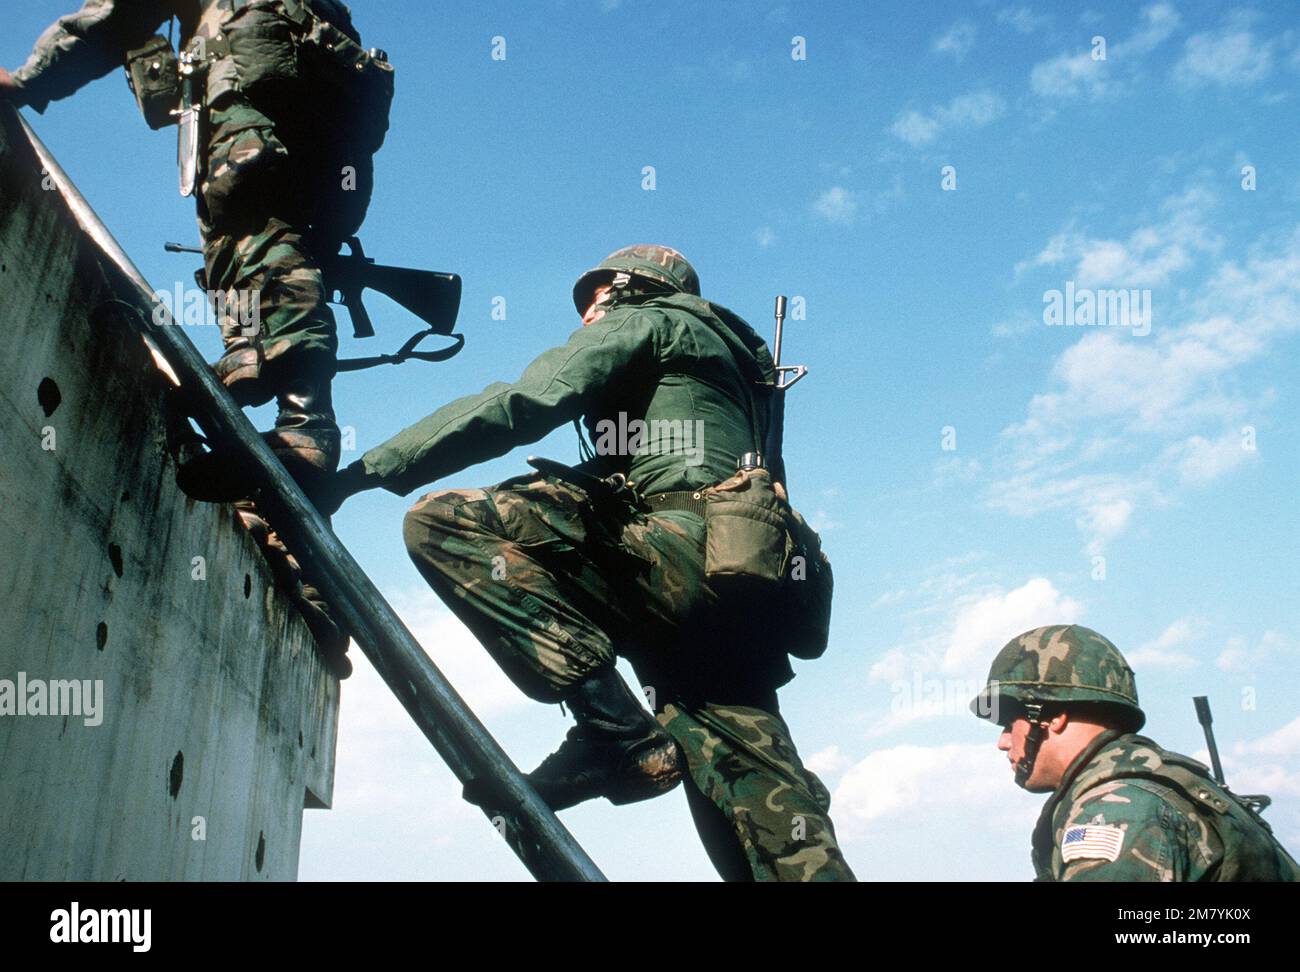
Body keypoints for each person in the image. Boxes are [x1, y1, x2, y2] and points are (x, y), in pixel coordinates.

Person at [324, 244, 856, 881]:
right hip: (739, 599)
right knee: (775, 815)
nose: (587, 316)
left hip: (674, 553)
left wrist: (360, 475)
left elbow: (528, 399)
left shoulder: (653, 320)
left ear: (634, 290)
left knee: (444, 521)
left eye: (597, 299)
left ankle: (614, 734)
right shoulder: (747, 379)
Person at [2, 1, 395, 677]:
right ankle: (274, 387)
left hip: (247, 109)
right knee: (271, 244)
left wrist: (29, 82)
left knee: (249, 227)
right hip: (330, 145)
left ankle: (301, 423)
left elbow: (112, 19)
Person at [971, 624, 1300, 881]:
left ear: (1052, 716)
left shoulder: (1118, 808)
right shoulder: (1150, 784)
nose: (1003, 741)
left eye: (1008, 722)